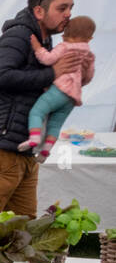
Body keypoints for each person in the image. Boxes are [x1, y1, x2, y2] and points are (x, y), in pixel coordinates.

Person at [0, 0, 84, 217]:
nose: (68, 14)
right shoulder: (18, 36)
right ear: (39, 11)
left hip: (19, 151)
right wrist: (52, 73)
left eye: (71, 8)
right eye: (62, 8)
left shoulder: (45, 43)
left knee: (22, 227)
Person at [20, 15, 96, 162]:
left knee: (37, 112)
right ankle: (45, 152)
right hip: (73, 97)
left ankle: (34, 139)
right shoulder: (89, 54)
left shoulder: (65, 47)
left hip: (59, 90)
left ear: (65, 34)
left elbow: (47, 59)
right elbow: (88, 76)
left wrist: (37, 47)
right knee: (55, 124)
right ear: (90, 39)